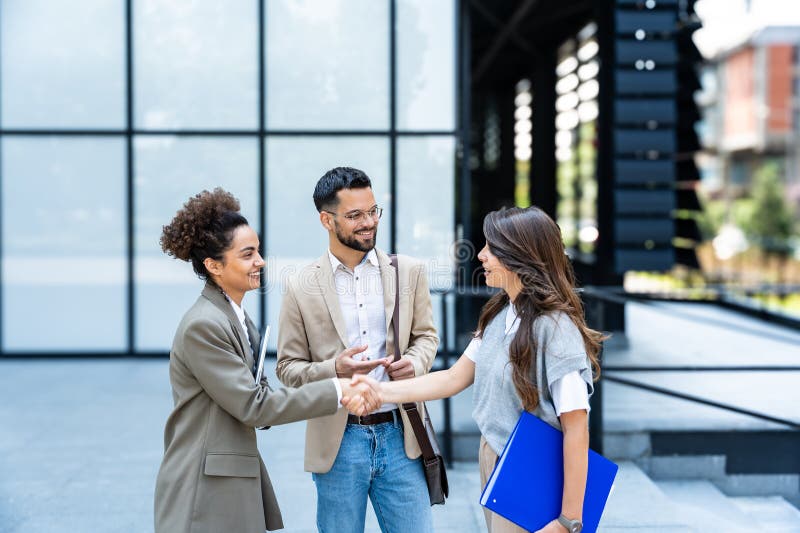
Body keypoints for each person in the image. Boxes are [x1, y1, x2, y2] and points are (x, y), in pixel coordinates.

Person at [349, 206, 604, 533]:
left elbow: (577, 429)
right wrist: (378, 391)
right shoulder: (502, 314)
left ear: (521, 255)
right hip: (494, 455)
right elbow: (453, 378)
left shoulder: (555, 329)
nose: (481, 255)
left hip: (530, 467)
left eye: (492, 249)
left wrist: (568, 521)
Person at [153, 188, 379, 533]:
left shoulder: (235, 317)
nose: (260, 262)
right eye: (247, 255)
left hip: (227, 477)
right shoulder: (204, 325)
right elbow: (254, 406)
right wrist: (338, 390)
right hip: (204, 488)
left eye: (258, 251)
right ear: (214, 265)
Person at [275, 167, 439, 533]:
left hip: (402, 434)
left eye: (372, 211)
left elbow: (427, 337)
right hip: (339, 440)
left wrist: (413, 363)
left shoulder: (408, 272)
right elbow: (287, 368)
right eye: (354, 216)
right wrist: (335, 368)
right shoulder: (301, 286)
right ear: (326, 220)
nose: (368, 223)